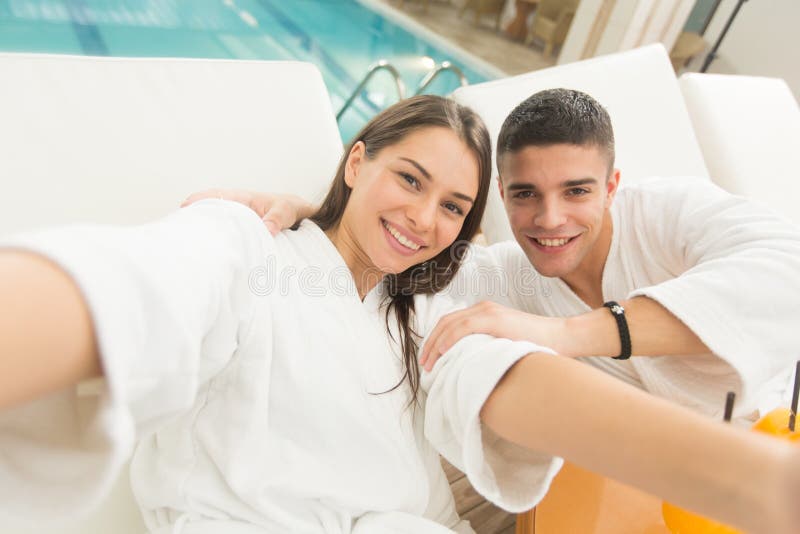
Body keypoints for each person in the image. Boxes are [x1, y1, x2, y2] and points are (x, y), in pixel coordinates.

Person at [1, 96, 799, 534]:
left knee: (479, 353)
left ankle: (764, 485)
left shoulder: (426, 297)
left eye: (454, 204)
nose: (424, 219)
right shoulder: (241, 243)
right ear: (357, 160)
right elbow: (141, 285)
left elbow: (493, 365)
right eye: (409, 180)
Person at [208, 89, 800, 424]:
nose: (549, 220)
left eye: (577, 191)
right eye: (525, 195)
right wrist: (317, 211)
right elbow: (401, 251)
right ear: (498, 200)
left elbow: (787, 274)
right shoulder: (509, 276)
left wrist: (568, 335)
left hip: (771, 439)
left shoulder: (670, 215)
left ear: (613, 185)